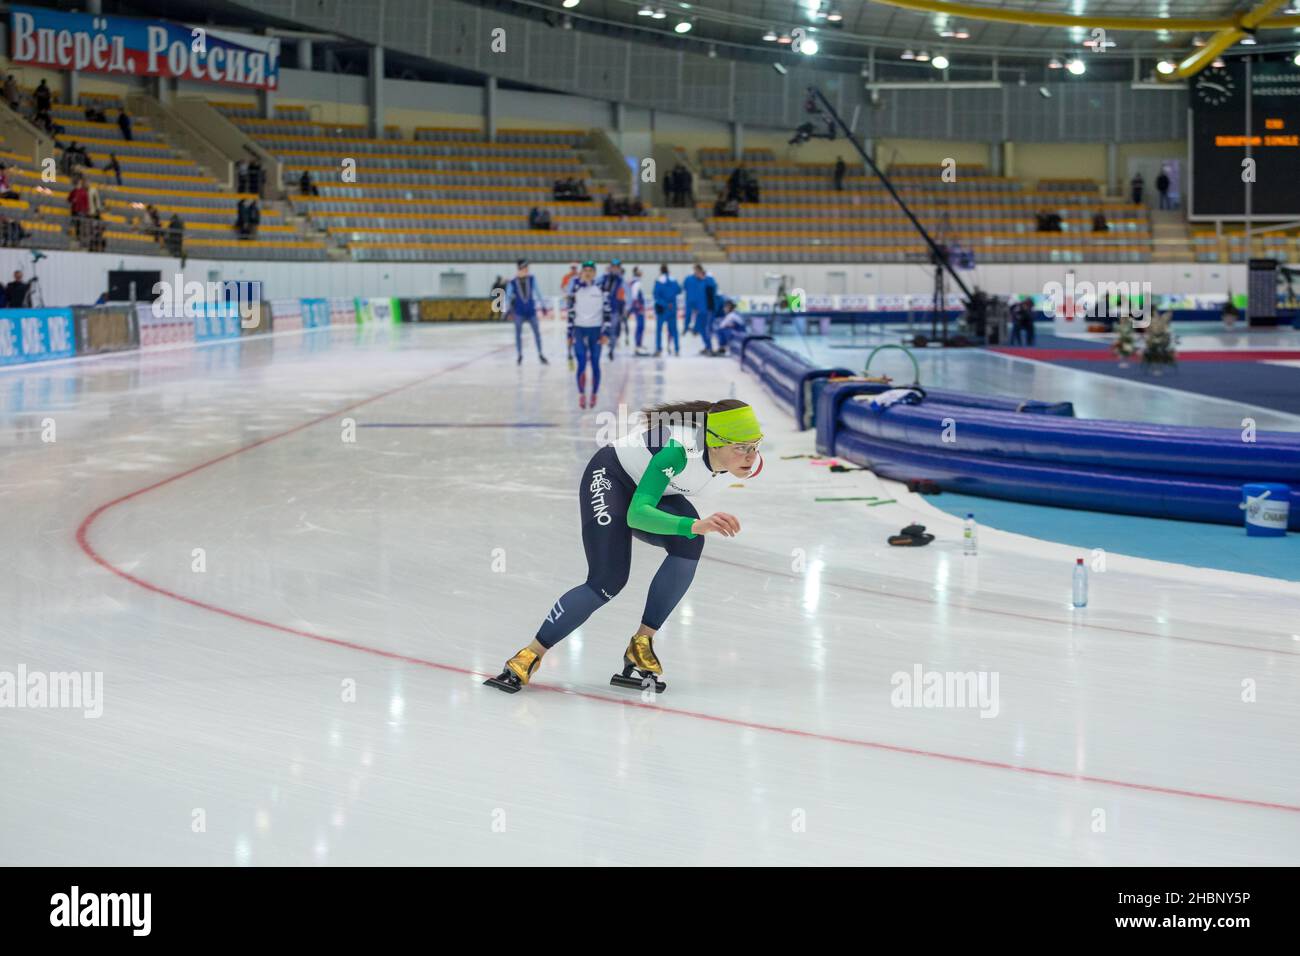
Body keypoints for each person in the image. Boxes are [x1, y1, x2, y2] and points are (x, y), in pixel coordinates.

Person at [484, 399, 765, 694]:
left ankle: (640, 645)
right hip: (613, 478)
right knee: (608, 579)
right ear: (714, 444)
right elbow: (637, 514)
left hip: (657, 489)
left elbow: (659, 500)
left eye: (755, 446)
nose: (750, 456)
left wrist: (692, 530)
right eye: (741, 447)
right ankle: (529, 655)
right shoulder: (678, 451)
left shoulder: (750, 462)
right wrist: (694, 525)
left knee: (689, 544)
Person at [565, 260, 610, 409]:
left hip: (596, 331)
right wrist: (569, 334)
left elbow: (607, 312)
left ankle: (594, 394)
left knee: (595, 363)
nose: (588, 273)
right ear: (581, 272)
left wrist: (606, 333)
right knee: (582, 363)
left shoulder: (602, 288)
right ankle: (582, 394)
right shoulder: (575, 288)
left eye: (591, 270)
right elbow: (570, 312)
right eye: (585, 270)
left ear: (595, 273)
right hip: (579, 330)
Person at [502, 259, 549, 366]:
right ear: (520, 268)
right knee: (518, 334)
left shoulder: (532, 279)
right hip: (519, 312)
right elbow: (508, 297)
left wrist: (543, 306)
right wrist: (505, 310)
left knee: (537, 333)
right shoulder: (513, 282)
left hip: (531, 311)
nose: (527, 270)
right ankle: (519, 355)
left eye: (527, 268)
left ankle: (540, 354)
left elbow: (538, 292)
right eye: (525, 268)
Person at [598, 259, 626, 359]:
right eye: (613, 267)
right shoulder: (603, 277)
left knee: (613, 330)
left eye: (617, 267)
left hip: (614, 309)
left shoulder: (621, 280)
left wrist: (625, 308)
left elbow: (627, 294)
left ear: (619, 268)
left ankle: (611, 350)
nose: (614, 269)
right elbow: (595, 286)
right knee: (600, 330)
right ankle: (597, 350)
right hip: (602, 308)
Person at [653, 264, 682, 357]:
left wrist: (664, 304)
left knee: (659, 330)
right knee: (674, 330)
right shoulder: (673, 280)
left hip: (662, 309)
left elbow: (656, 295)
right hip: (672, 308)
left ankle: (658, 349)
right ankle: (677, 349)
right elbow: (679, 290)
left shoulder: (658, 281)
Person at [627, 266, 648, 354]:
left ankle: (638, 344)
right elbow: (634, 295)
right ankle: (638, 345)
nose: (642, 272)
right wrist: (638, 306)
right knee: (641, 326)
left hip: (634, 305)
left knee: (639, 326)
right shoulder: (637, 282)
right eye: (641, 271)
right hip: (638, 306)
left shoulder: (631, 281)